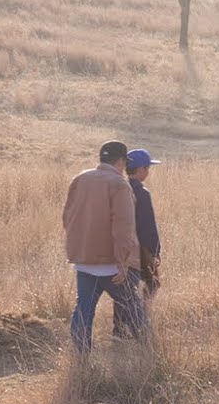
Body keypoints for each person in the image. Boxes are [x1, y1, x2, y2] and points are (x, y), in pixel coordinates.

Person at [63, 140, 146, 352]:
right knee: (132, 308)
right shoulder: (119, 184)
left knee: (83, 311)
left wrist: (78, 247)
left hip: (83, 260)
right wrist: (123, 261)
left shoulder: (80, 179)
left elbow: (67, 217)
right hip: (112, 264)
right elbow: (123, 227)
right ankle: (148, 353)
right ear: (121, 161)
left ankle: (80, 361)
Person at [112, 148, 161, 339]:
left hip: (121, 248)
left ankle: (119, 330)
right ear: (140, 169)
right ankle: (140, 320)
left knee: (125, 288)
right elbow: (148, 226)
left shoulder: (120, 188)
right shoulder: (142, 192)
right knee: (152, 284)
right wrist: (155, 251)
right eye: (147, 168)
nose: (148, 172)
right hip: (141, 249)